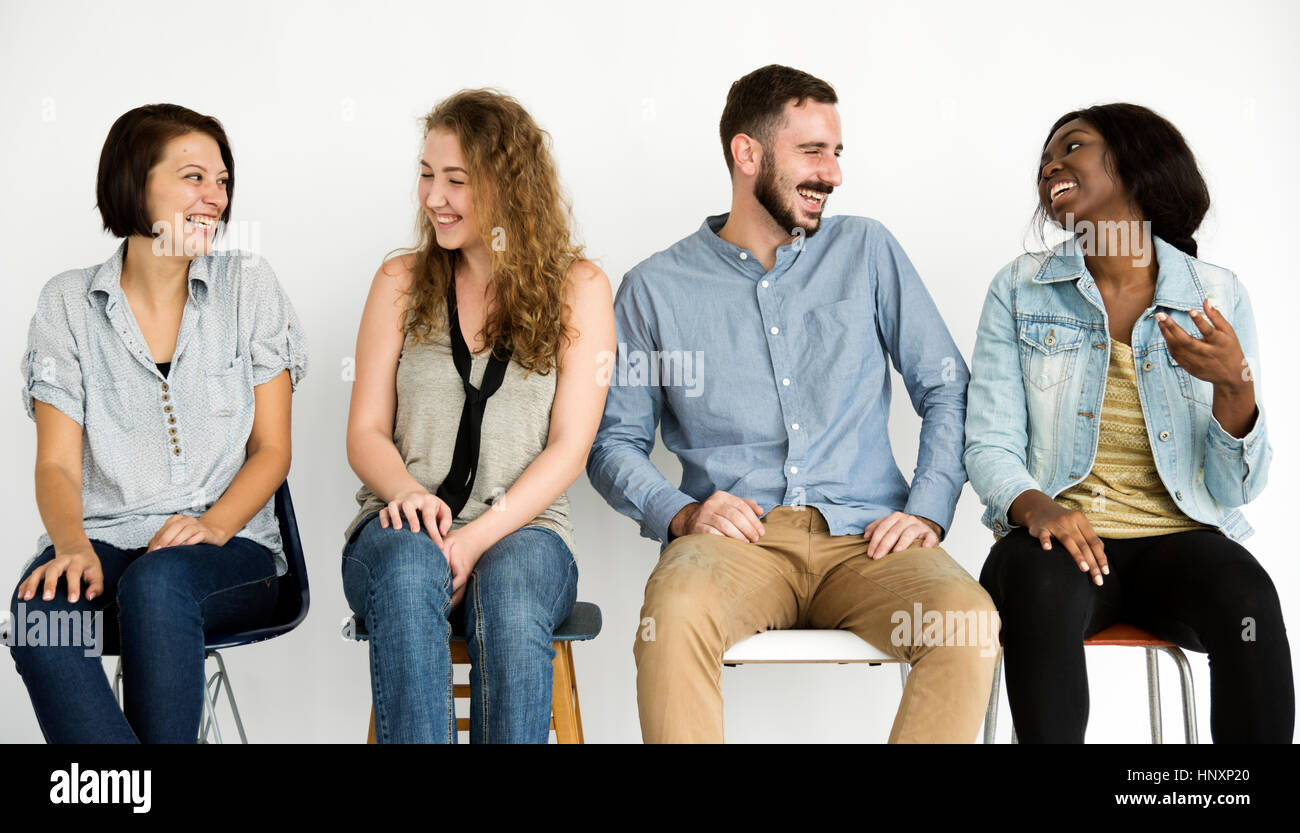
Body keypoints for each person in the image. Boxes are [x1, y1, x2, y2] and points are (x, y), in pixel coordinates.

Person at [586, 64, 998, 743]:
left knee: (967, 620)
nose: (833, 173)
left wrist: (926, 507)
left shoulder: (866, 250)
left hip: (867, 542)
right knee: (676, 609)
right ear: (747, 155)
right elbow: (612, 444)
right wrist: (683, 512)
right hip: (735, 546)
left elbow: (946, 383)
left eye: (837, 154)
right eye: (813, 152)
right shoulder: (654, 288)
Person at [966, 103, 1294, 743]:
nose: (1050, 166)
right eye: (1043, 160)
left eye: (1073, 147)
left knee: (1249, 599)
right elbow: (989, 442)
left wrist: (1235, 384)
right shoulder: (1021, 289)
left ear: (1137, 164)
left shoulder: (1216, 296)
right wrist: (1037, 508)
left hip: (1180, 544)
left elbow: (1235, 491)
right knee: (1039, 586)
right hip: (1059, 542)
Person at [8, 104, 308, 743]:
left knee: (158, 582)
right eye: (194, 178)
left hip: (236, 552)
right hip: (107, 543)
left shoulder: (247, 287)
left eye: (222, 181)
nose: (215, 198)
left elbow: (272, 449)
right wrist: (71, 546)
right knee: (41, 612)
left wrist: (210, 526)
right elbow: (57, 463)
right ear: (134, 181)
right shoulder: (67, 303)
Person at [342, 89, 614, 744]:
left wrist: (472, 539)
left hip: (527, 529)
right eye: (427, 175)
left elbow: (569, 448)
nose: (433, 196)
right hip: (398, 524)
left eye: (456, 181)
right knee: (412, 570)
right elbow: (364, 432)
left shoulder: (580, 289)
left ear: (508, 187)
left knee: (512, 589)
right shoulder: (399, 282)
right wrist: (409, 495)